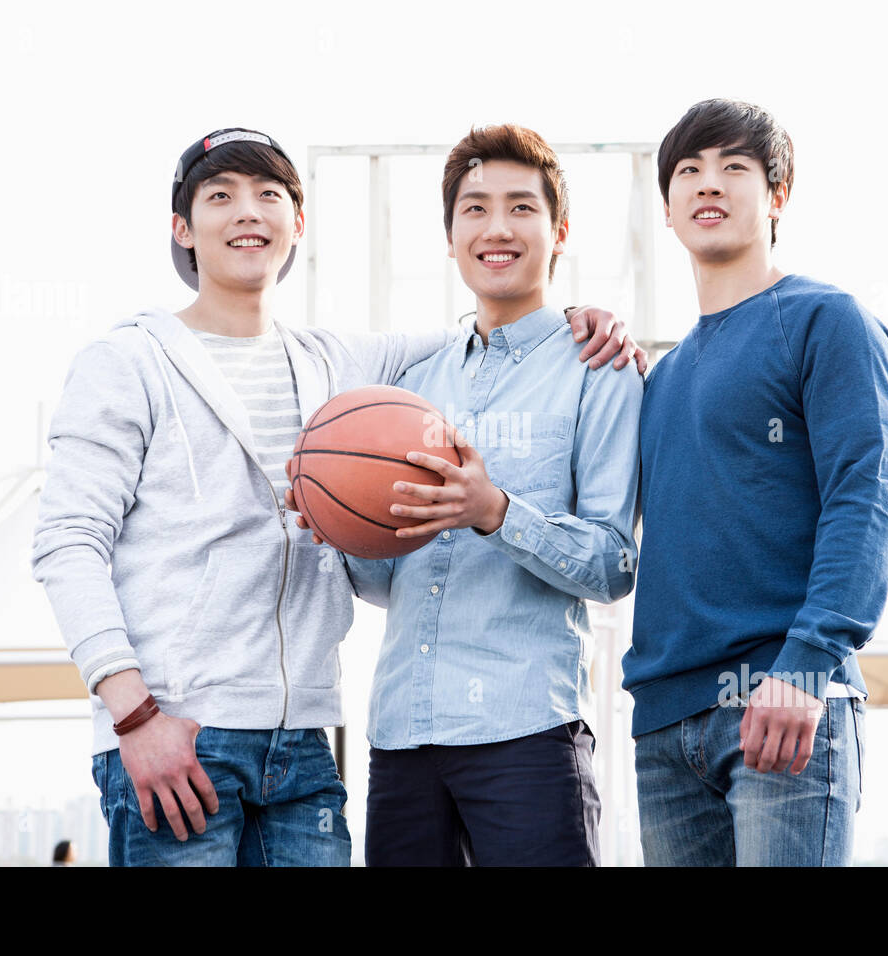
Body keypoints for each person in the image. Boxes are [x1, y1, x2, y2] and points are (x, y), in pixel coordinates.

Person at [31, 127, 643, 867]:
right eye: (220, 196)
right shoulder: (129, 362)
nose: (247, 212)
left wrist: (585, 321)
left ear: (297, 225)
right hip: (185, 733)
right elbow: (67, 542)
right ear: (182, 228)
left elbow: (503, 336)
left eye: (270, 195)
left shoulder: (347, 364)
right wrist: (132, 716)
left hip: (315, 748)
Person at [292, 124, 643, 866]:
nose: (497, 227)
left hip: (527, 733)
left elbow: (614, 565)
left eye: (522, 207)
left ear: (559, 230)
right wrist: (340, 530)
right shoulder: (412, 384)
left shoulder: (599, 367)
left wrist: (497, 514)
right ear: (449, 235)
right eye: (475, 208)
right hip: (401, 736)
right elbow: (391, 578)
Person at [623, 99, 888, 866]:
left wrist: (808, 666)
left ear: (777, 196)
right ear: (670, 211)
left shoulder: (825, 319)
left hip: (783, 698)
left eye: (734, 167)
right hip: (663, 723)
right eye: (689, 171)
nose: (708, 183)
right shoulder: (661, 377)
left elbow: (865, 496)